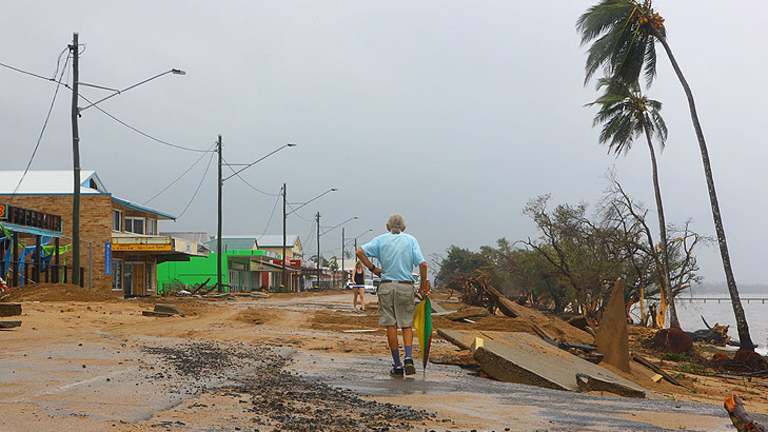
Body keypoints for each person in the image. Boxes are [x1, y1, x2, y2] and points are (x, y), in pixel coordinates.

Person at [356, 214, 429, 377]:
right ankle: (408, 358)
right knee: (406, 325)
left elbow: (359, 251)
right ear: (403, 227)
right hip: (405, 287)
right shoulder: (411, 240)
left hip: (387, 286)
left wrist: (373, 268)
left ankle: (397, 365)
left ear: (388, 227)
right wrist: (424, 285)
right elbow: (423, 264)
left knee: (391, 326)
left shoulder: (381, 240)